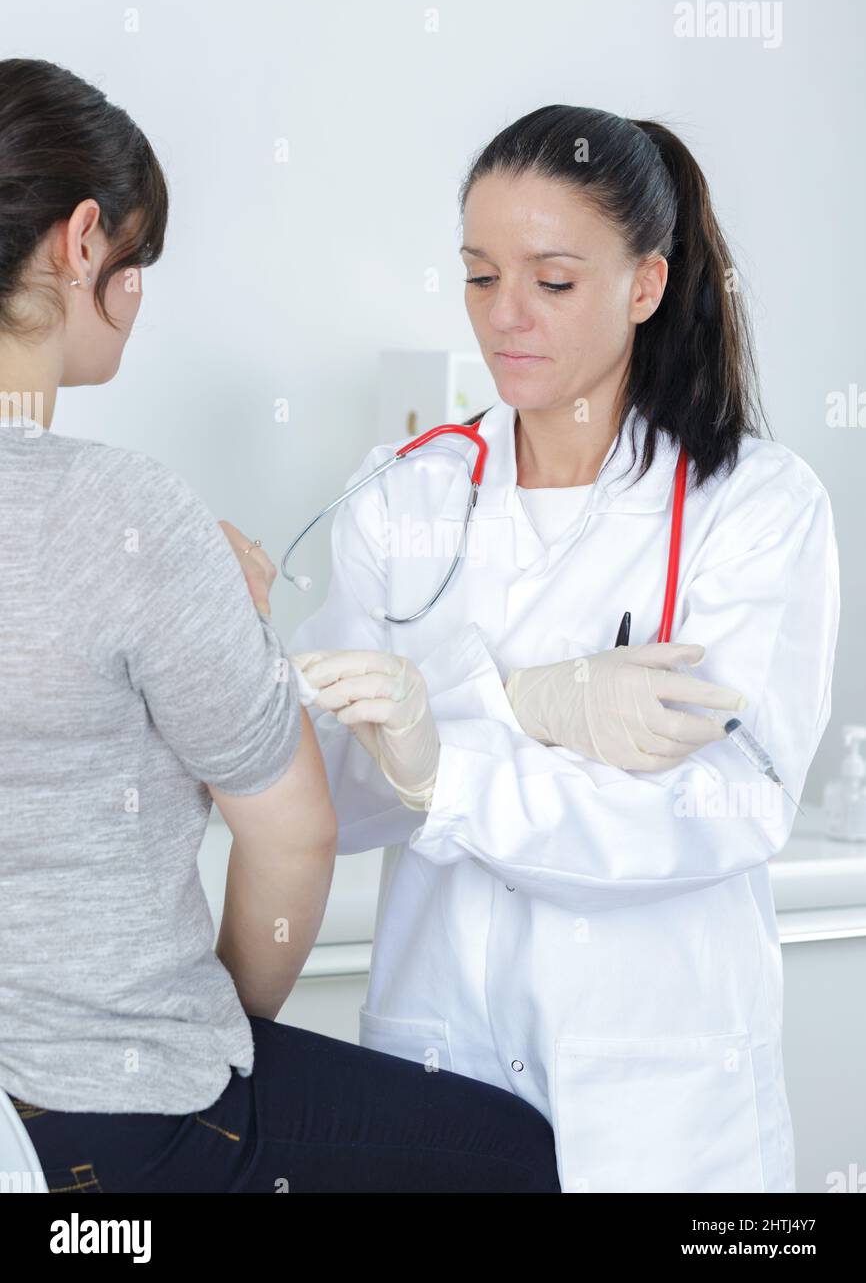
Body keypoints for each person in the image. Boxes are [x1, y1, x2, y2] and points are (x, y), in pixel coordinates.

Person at [0, 59, 561, 1194]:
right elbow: (292, 835)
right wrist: (220, 1032)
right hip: (115, 1127)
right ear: (82, 240)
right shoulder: (129, 511)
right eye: (138, 263)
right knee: (513, 1155)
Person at [289, 105, 841, 1193]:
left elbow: (716, 809)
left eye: (551, 281)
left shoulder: (754, 507)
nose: (505, 317)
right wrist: (522, 709)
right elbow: (327, 796)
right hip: (435, 1066)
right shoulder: (406, 491)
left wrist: (446, 756)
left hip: (653, 1104)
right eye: (478, 275)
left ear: (643, 285)